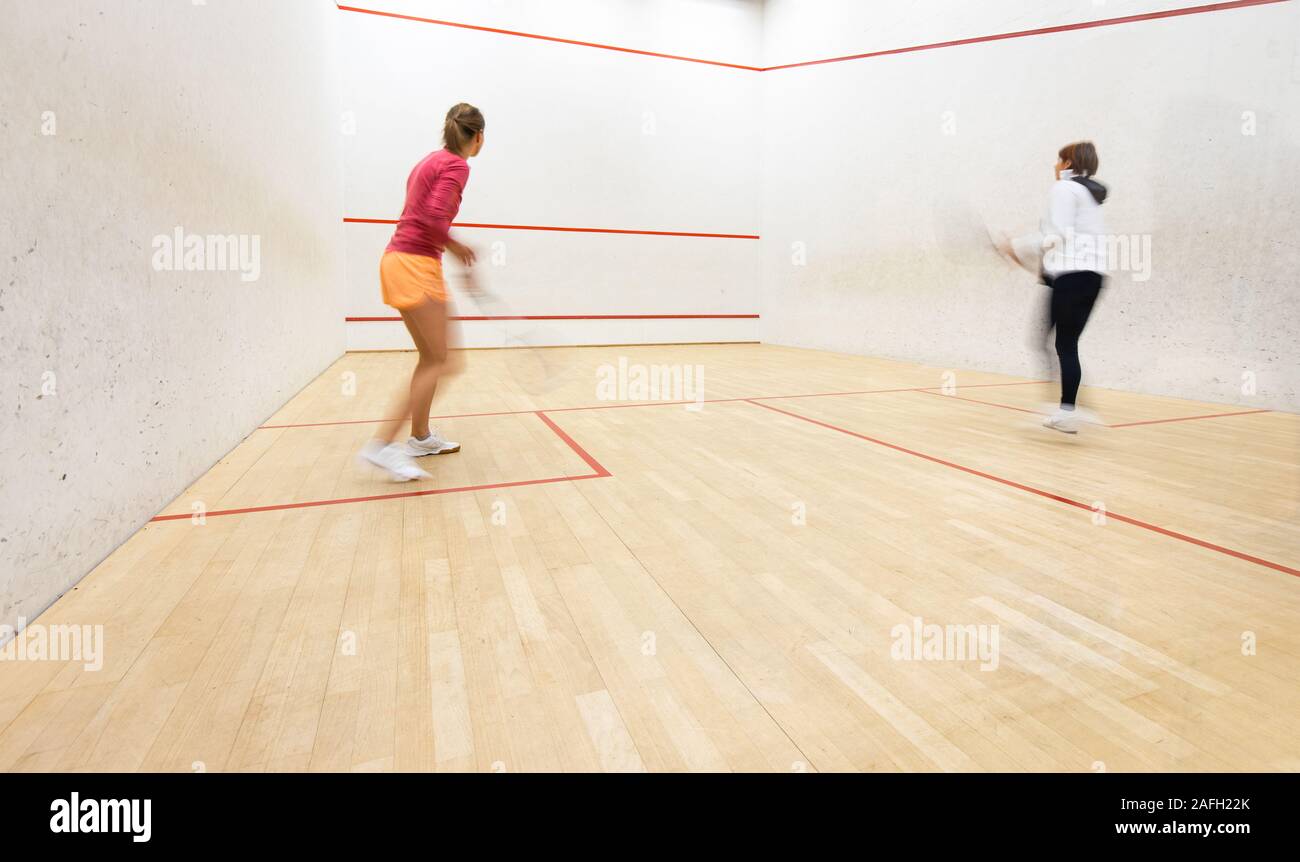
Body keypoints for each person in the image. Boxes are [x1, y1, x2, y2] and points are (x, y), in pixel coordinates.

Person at [359, 103, 485, 481]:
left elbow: (422, 216)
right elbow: (431, 219)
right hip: (414, 264)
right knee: (441, 361)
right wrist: (458, 248)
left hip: (400, 261)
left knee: (431, 357)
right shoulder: (458, 166)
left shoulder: (429, 160)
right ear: (478, 137)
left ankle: (420, 437)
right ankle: (381, 446)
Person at [998, 141, 1108, 434]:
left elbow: (1057, 235)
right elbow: (1069, 241)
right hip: (1091, 277)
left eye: (1059, 161)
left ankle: (1067, 410)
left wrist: (1016, 247)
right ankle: (1068, 408)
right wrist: (1034, 264)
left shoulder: (1064, 189)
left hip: (1072, 277)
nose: (1055, 166)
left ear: (1068, 163)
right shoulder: (1088, 196)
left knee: (1059, 343)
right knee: (1058, 343)